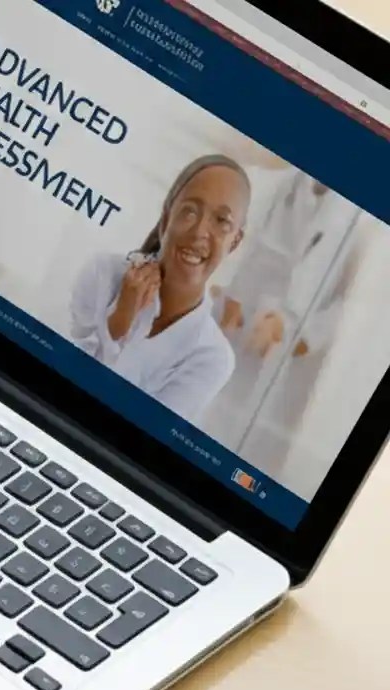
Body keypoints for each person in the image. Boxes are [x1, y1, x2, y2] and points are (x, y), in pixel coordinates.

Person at [203, 169, 363, 486]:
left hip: (288, 354)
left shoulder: (358, 221)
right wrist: (228, 290)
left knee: (248, 459)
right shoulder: (281, 184)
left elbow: (351, 304)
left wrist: (295, 332)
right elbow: (246, 241)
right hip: (237, 324)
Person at [69, 155, 252, 422]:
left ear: (234, 242)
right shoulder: (102, 273)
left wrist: (116, 333)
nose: (200, 231)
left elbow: (136, 433)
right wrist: (118, 321)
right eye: (189, 211)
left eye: (221, 221)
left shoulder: (213, 358)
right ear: (166, 218)